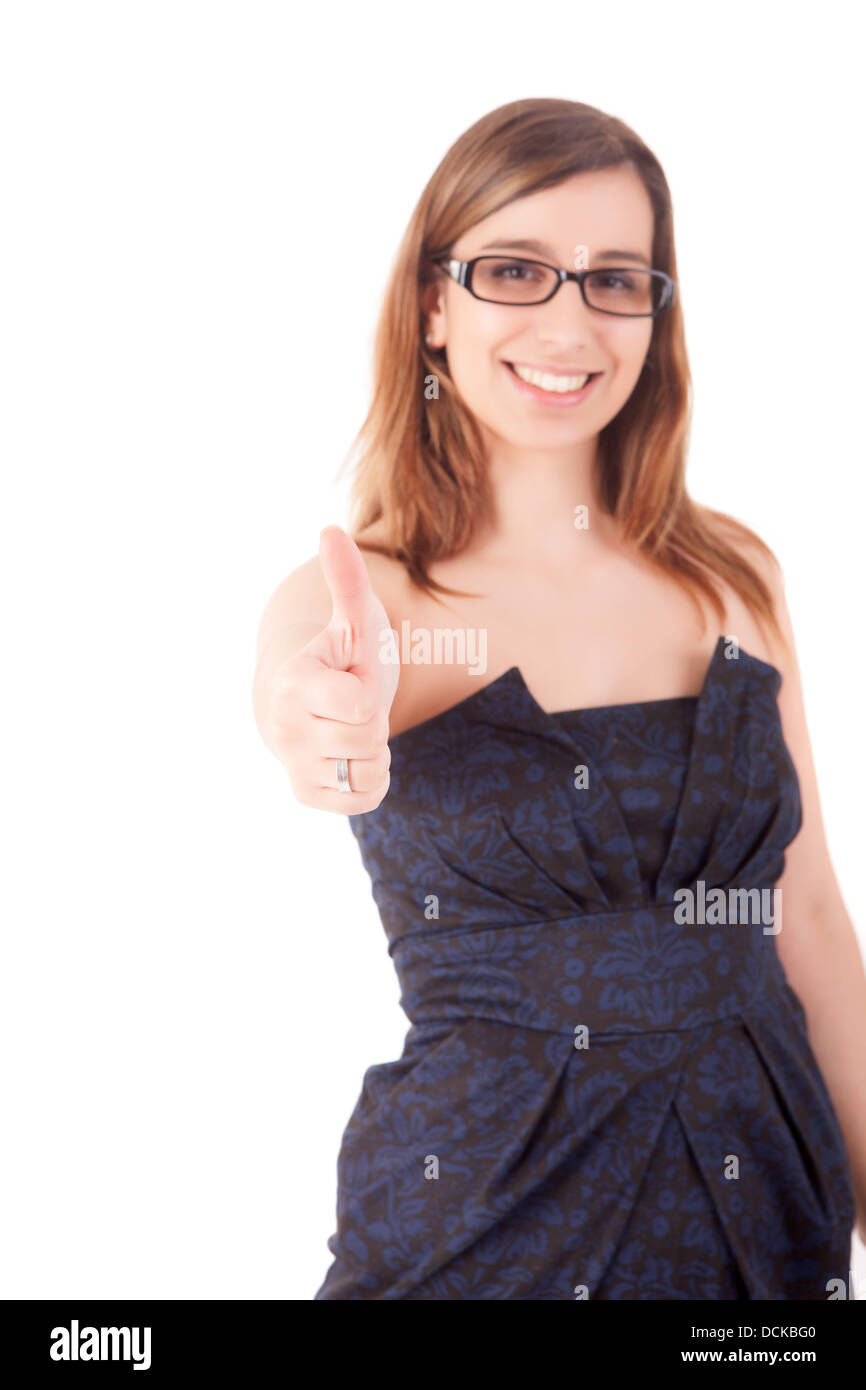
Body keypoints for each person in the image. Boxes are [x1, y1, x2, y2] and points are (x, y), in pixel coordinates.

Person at [252, 97, 866, 1299]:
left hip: (767, 1224)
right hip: (483, 1222)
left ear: (655, 311)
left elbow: (809, 929)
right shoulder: (363, 599)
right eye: (515, 270)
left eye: (614, 280)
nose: (568, 321)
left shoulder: (734, 577)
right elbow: (303, 720)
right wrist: (325, 737)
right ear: (434, 305)